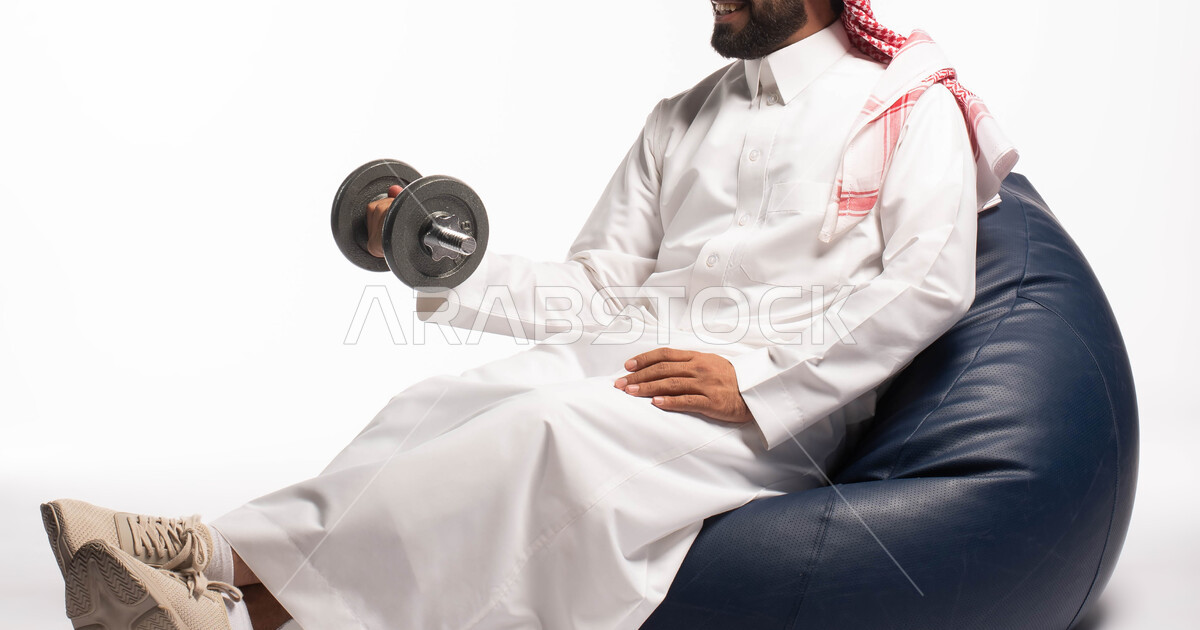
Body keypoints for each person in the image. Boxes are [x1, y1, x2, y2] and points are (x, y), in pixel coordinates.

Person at [40, 1, 1017, 628]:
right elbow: (595, 290)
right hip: (636, 360)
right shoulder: (680, 117)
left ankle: (216, 566)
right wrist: (432, 257)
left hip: (768, 415)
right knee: (441, 407)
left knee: (546, 432)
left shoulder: (905, 105)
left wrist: (756, 385)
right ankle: (228, 603)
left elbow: (929, 283)